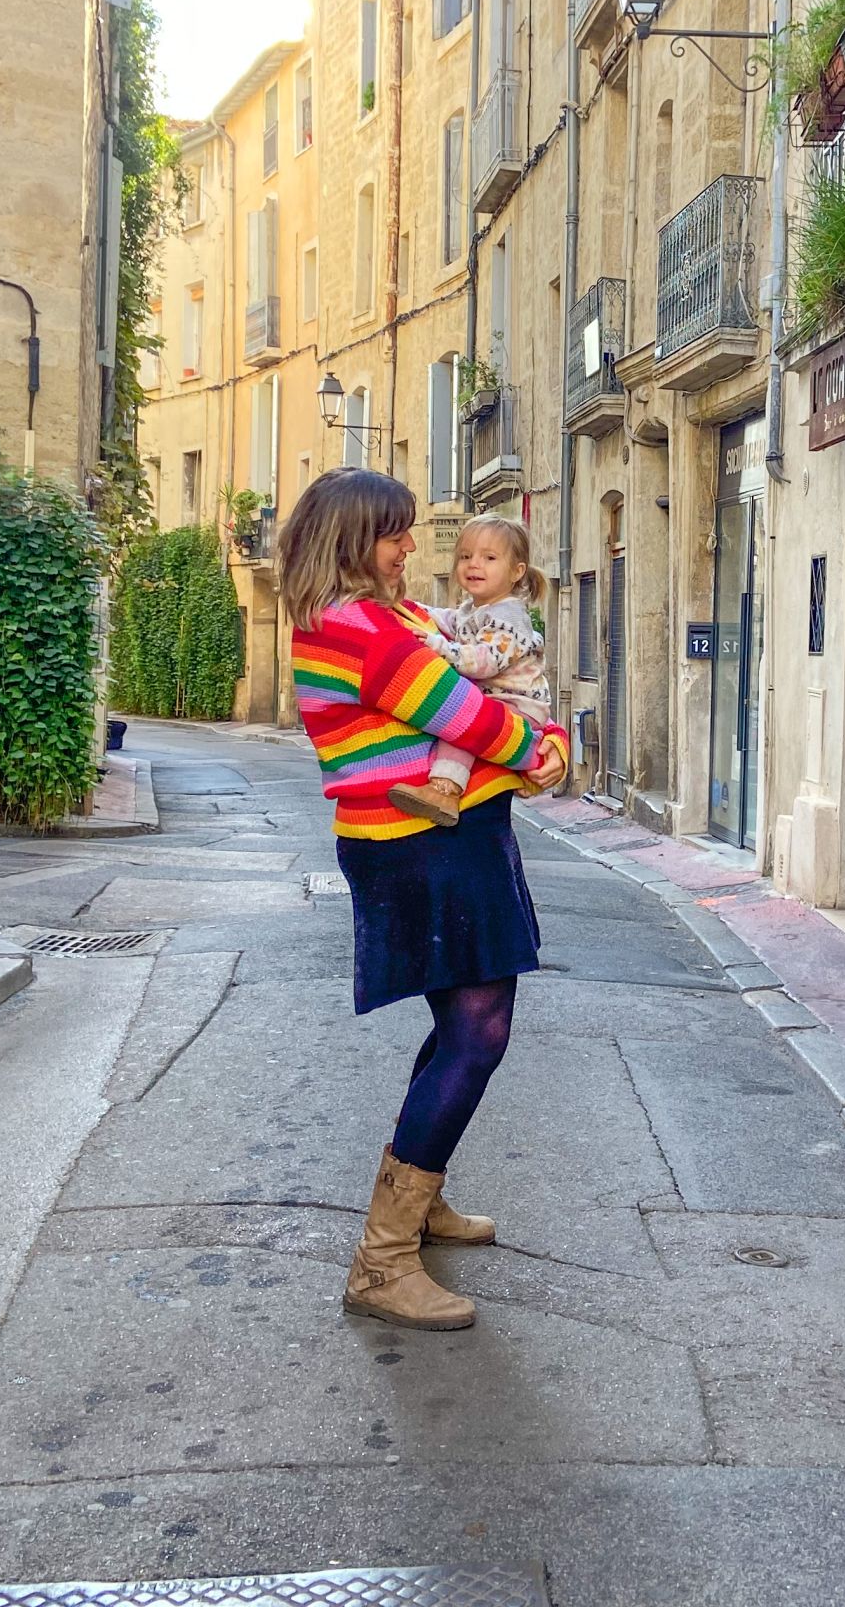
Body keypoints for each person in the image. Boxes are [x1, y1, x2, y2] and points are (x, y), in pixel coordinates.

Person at [278, 468, 568, 1332]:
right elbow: (467, 714)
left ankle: (419, 1195)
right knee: (480, 1032)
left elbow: (491, 687)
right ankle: (383, 1258)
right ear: (353, 539)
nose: (413, 547)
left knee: (458, 1029)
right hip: (420, 847)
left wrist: (543, 741)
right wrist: (545, 746)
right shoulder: (355, 626)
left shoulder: (393, 616)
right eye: (395, 533)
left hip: (452, 839)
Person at [388, 514, 551, 829]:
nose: (474, 564)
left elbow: (487, 660)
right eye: (465, 556)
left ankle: (445, 790)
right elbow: (449, 619)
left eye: (489, 558)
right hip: (501, 699)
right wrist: (412, 610)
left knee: (463, 725)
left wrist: (440, 647)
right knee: (466, 718)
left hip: (519, 704)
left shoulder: (511, 616)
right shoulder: (475, 608)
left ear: (517, 572)